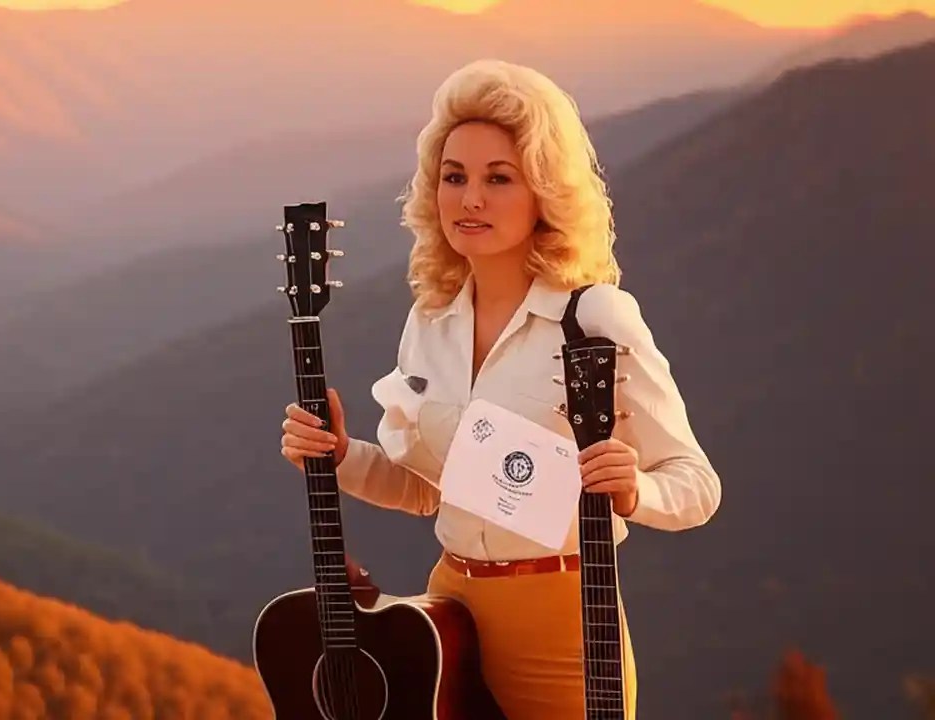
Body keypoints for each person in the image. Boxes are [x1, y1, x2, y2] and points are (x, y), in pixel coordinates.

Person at [278, 58, 721, 719]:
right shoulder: (431, 319)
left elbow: (697, 485)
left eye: (499, 178)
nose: (471, 198)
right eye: (454, 177)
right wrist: (341, 455)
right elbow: (427, 489)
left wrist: (635, 489)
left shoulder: (594, 317)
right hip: (444, 620)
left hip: (562, 629)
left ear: (545, 193)